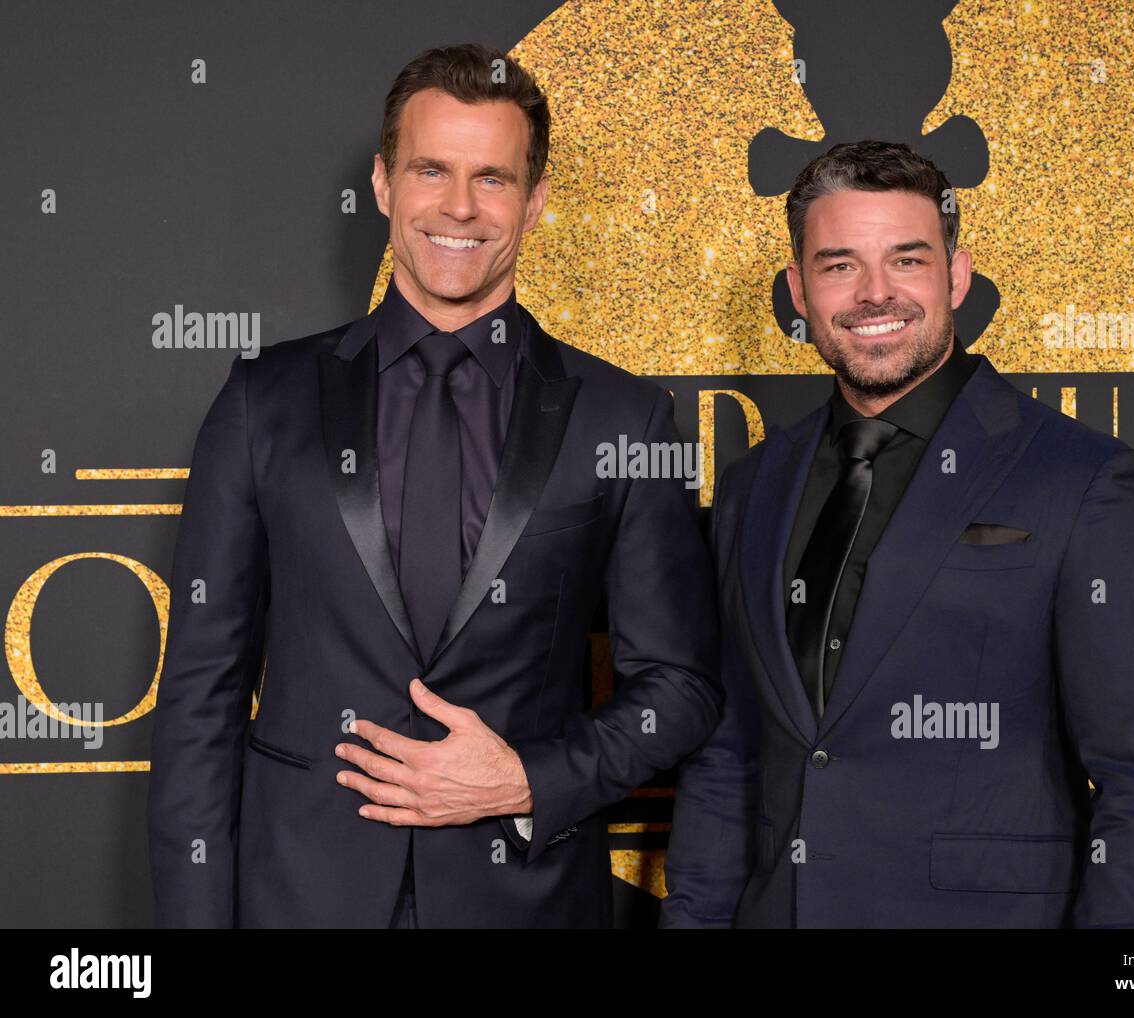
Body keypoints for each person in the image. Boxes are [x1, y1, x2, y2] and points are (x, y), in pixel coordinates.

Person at [148, 43, 720, 928]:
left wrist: (528, 780)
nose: (460, 206)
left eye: (492, 178)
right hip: (298, 895)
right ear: (383, 184)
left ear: (533, 204)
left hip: (524, 899)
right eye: (431, 170)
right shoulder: (264, 402)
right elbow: (199, 697)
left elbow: (680, 687)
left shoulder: (623, 419)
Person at [661, 140, 1134, 929]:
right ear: (799, 292)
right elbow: (729, 754)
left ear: (956, 274)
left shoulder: (1085, 481)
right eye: (839, 265)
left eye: (907, 260)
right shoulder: (756, 486)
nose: (874, 294)